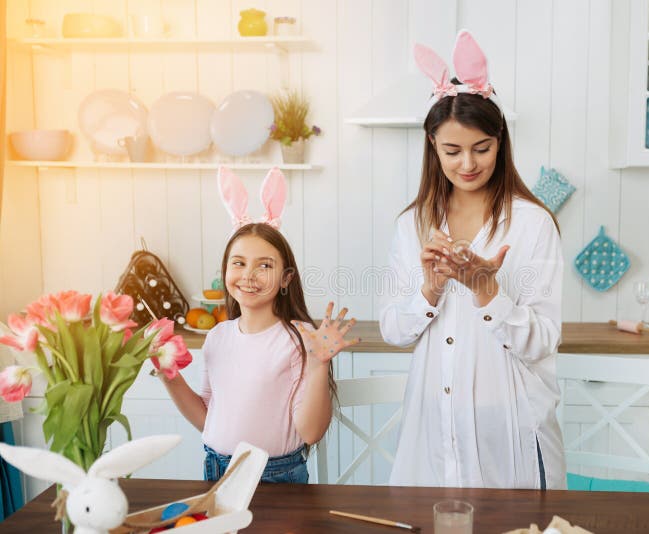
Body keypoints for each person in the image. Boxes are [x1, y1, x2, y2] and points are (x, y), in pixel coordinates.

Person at [379, 31, 565, 490]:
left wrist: (487, 291)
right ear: (432, 146)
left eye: (481, 148)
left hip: (510, 430)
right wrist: (431, 288)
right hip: (433, 429)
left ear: (500, 142)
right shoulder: (413, 225)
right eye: (452, 150)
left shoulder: (532, 223)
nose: (468, 164)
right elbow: (393, 331)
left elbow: (542, 340)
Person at [158, 167, 360, 483]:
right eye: (238, 263)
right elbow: (207, 418)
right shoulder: (217, 337)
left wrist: (320, 365)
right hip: (216, 469)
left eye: (264, 265)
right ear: (225, 270)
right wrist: (167, 373)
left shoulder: (298, 340)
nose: (249, 275)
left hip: (275, 475)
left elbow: (310, 432)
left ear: (286, 278)